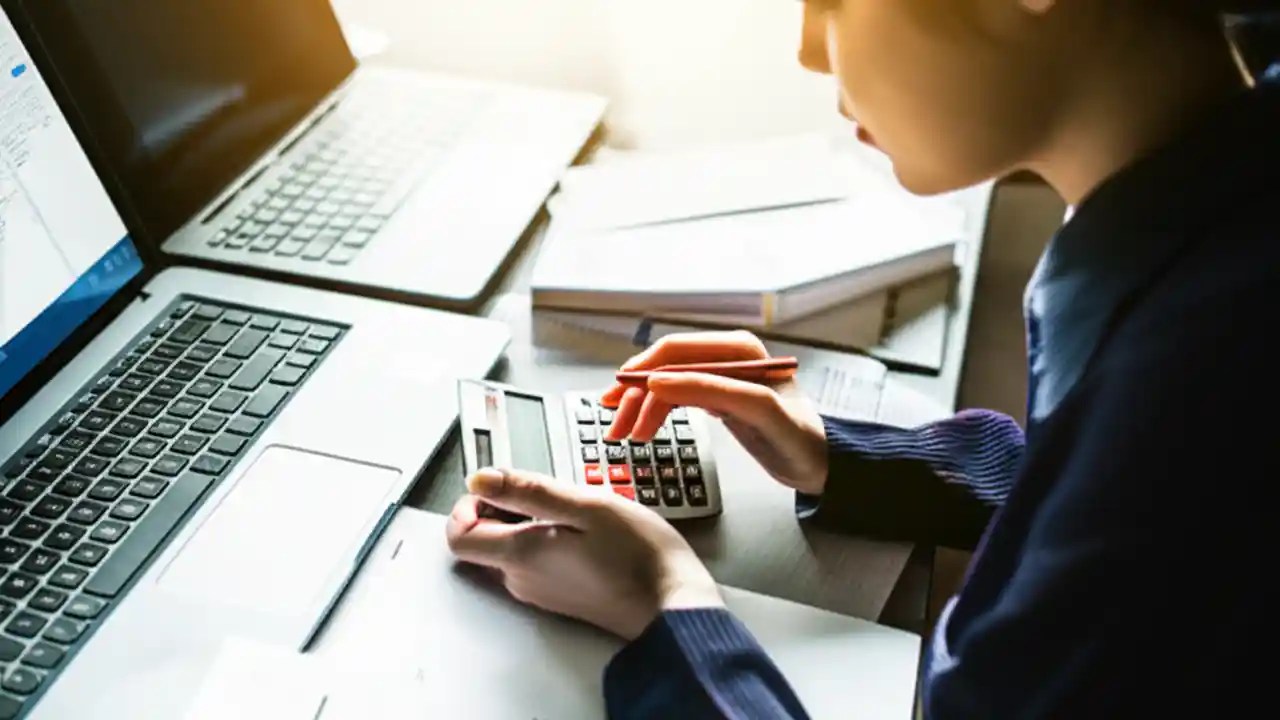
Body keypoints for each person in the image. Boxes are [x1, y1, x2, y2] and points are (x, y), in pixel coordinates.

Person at [446, 0, 1280, 716]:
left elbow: (1155, 481)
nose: (809, 50)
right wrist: (846, 456)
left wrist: (668, 603)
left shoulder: (1200, 372)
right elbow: (1111, 499)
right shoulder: (1218, 218)